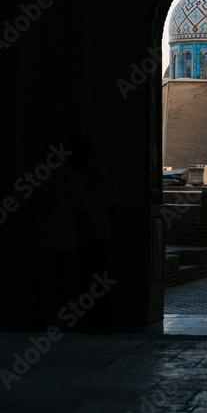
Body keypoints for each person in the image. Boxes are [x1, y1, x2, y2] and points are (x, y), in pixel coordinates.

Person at [30, 138, 88, 329]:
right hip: (68, 241)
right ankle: (69, 323)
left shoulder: (35, 180)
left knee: (46, 287)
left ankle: (47, 322)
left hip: (43, 242)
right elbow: (82, 212)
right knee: (68, 287)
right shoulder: (72, 179)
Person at [69, 135, 122, 332]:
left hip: (96, 237)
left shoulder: (98, 173)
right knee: (83, 281)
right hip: (77, 237)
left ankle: (100, 323)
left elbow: (114, 203)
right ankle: (87, 323)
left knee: (96, 281)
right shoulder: (73, 175)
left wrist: (104, 229)